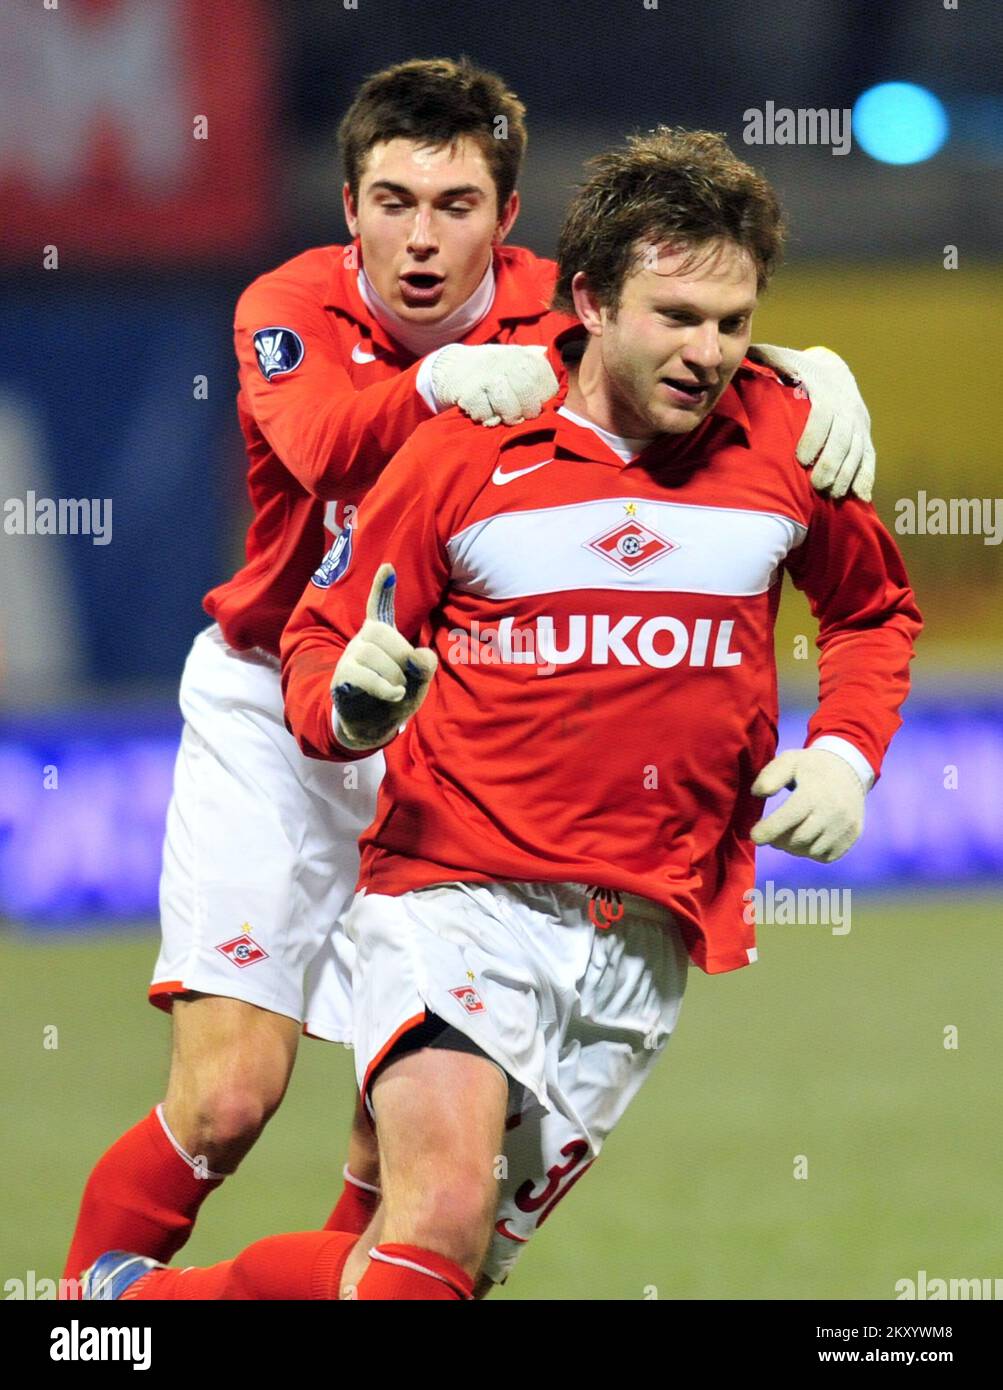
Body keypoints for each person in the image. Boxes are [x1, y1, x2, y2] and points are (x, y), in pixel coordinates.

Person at [65, 60, 879, 1291]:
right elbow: (318, 441)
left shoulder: (573, 305)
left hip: (445, 721)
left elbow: (687, 315)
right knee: (232, 1097)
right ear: (348, 208)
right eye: (393, 200)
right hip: (279, 704)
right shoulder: (283, 307)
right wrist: (433, 385)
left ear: (510, 224)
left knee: (418, 1196)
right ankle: (90, 1319)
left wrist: (817, 366)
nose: (421, 236)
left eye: (456, 206)